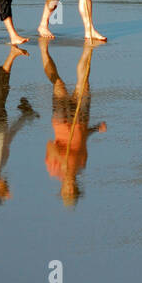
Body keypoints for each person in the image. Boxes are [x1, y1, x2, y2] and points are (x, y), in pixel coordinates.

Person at [40, 40, 106, 207]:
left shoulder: (54, 171)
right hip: (82, 118)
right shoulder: (81, 164)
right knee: (84, 84)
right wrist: (96, 128)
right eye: (72, 191)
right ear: (75, 188)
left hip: (60, 120)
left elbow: (49, 146)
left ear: (63, 188)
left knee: (58, 84)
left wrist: (59, 158)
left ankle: (44, 51)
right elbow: (82, 140)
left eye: (68, 191)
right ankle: (87, 48)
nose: (70, 188)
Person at [0, 41, 38, 203]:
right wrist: (24, 118)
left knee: (2, 88)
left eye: (4, 192)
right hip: (0, 120)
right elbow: (7, 139)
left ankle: (12, 54)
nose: (8, 190)